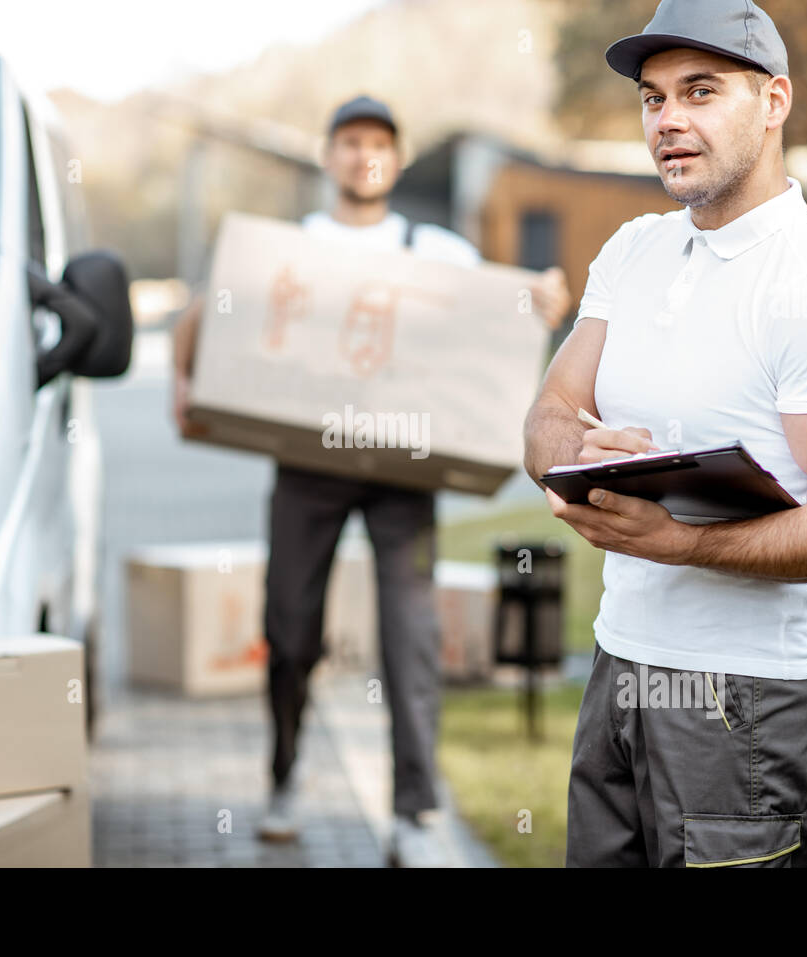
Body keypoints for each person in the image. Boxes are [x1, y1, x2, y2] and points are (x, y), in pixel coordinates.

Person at [522, 0, 807, 867]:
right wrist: (573, 454)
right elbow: (546, 415)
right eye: (653, 99)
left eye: (700, 90)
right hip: (619, 667)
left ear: (774, 102)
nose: (669, 121)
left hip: (745, 700)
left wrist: (682, 543)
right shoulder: (633, 248)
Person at [173, 94, 572, 866]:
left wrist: (546, 297)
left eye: (379, 144)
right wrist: (180, 380)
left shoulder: (436, 248)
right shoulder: (294, 246)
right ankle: (285, 775)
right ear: (330, 156)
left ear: (396, 157)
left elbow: (507, 300)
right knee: (289, 629)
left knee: (412, 636)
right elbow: (206, 307)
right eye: (351, 142)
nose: (365, 156)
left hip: (401, 468)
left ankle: (413, 814)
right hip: (309, 464)